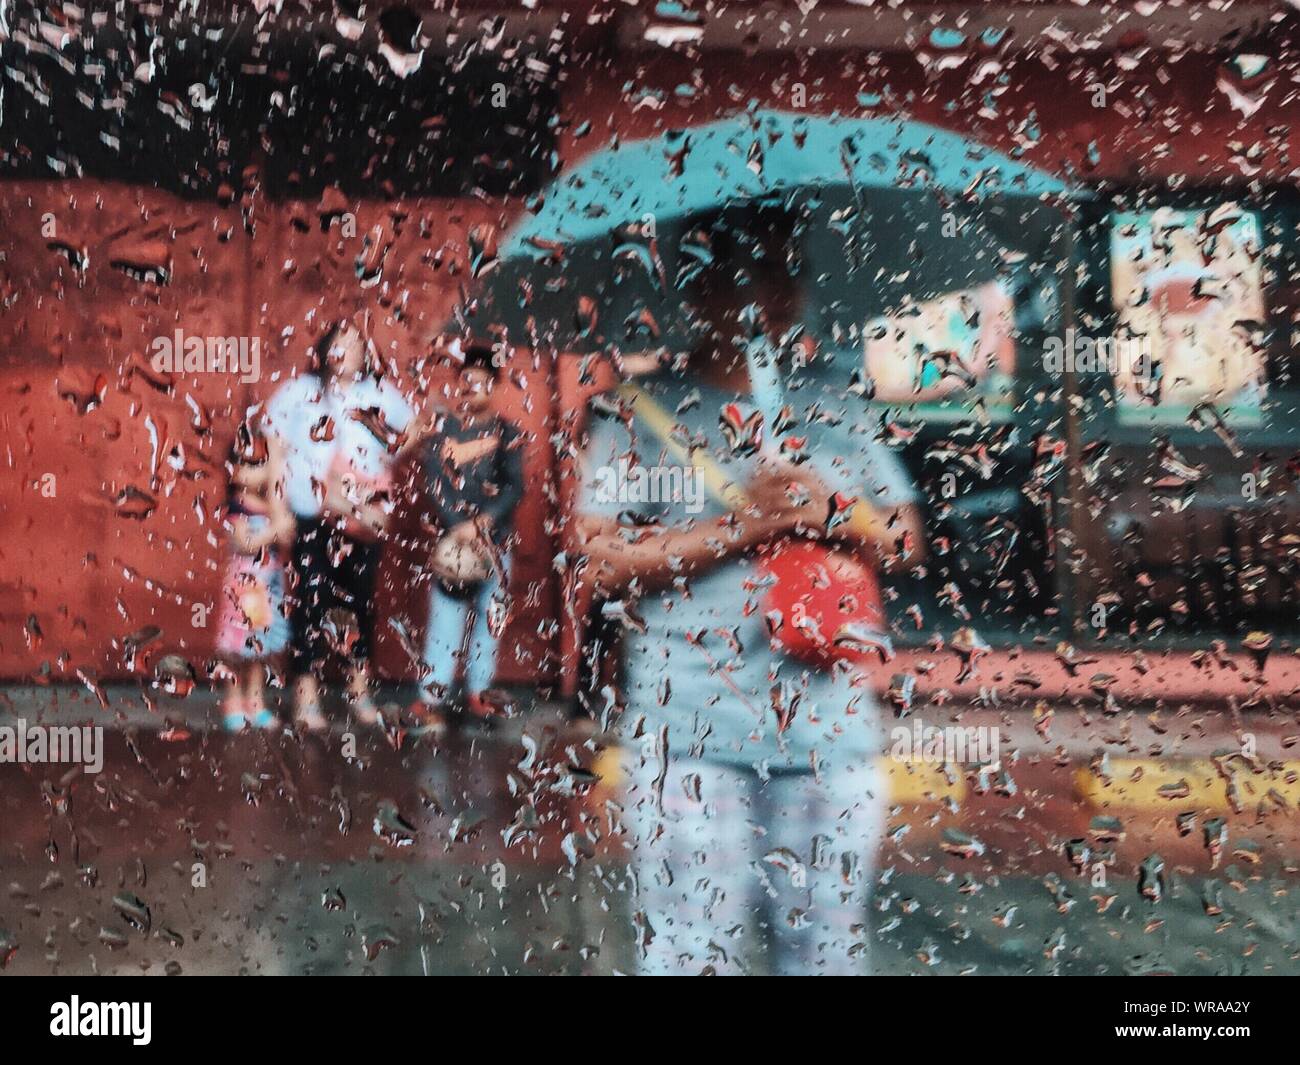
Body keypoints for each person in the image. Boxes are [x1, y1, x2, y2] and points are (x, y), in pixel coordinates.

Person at [575, 202, 926, 974]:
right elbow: (598, 559)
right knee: (690, 956)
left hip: (830, 736)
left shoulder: (835, 407)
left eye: (783, 268)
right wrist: (738, 528)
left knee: (827, 956)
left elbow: (904, 538)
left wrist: (825, 508)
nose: (767, 291)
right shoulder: (637, 415)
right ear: (697, 287)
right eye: (743, 270)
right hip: (688, 740)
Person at [263, 315, 414, 731]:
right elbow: (271, 443)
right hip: (313, 514)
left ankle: (359, 691)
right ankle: (306, 698)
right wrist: (277, 507)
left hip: (364, 518)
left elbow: (416, 427)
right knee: (311, 602)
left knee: (359, 603)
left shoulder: (378, 393)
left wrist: (386, 458)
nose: (349, 349)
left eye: (358, 343)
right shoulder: (300, 391)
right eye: (341, 341)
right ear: (326, 348)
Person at [416, 338, 523, 725]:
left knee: (488, 620)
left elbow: (514, 486)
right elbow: (435, 482)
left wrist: (483, 522)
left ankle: (479, 693)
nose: (471, 387)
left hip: (495, 543)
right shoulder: (445, 431)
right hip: (454, 541)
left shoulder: (507, 433)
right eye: (466, 380)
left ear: (493, 385)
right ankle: (432, 698)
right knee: (445, 618)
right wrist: (457, 523)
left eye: (480, 381)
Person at [215, 421, 295, 730]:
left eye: (259, 463)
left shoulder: (269, 506)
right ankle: (234, 701)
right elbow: (244, 541)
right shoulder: (239, 507)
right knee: (238, 648)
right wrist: (274, 531)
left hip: (268, 586)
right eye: (244, 463)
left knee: (261, 648)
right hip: (244, 587)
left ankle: (256, 701)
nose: (251, 471)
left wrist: (277, 460)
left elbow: (286, 532)